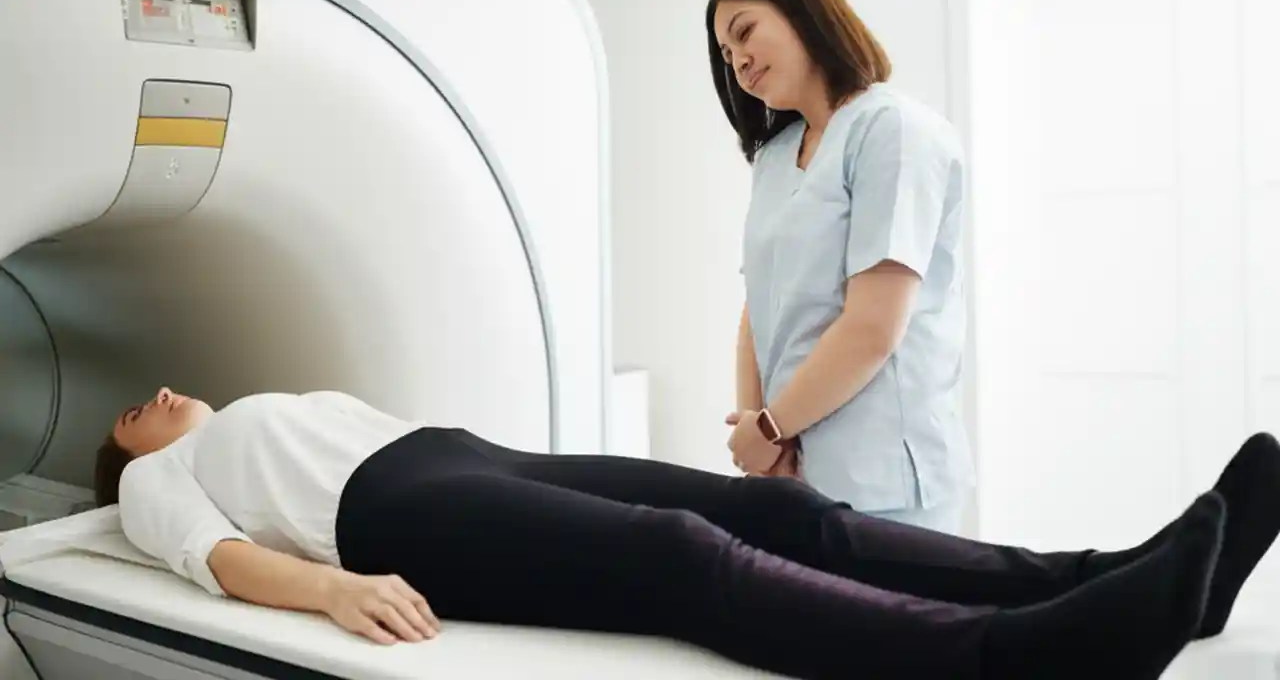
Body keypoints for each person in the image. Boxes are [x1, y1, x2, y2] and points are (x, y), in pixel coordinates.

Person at [97, 386, 1280, 680]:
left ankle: (1104, 578)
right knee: (676, 556)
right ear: (129, 458)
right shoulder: (156, 483)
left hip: (450, 455)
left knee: (768, 507)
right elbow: (218, 558)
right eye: (127, 413)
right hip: (393, 512)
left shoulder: (262, 401)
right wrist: (326, 593)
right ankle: (1017, 658)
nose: (150, 396)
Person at [708, 0, 973, 532]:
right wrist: (760, 439)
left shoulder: (894, 130)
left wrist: (774, 428)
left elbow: (873, 329)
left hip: (885, 480)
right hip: (794, 478)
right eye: (727, 55)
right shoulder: (775, 158)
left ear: (803, 10)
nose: (739, 62)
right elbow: (758, 308)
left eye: (745, 33)